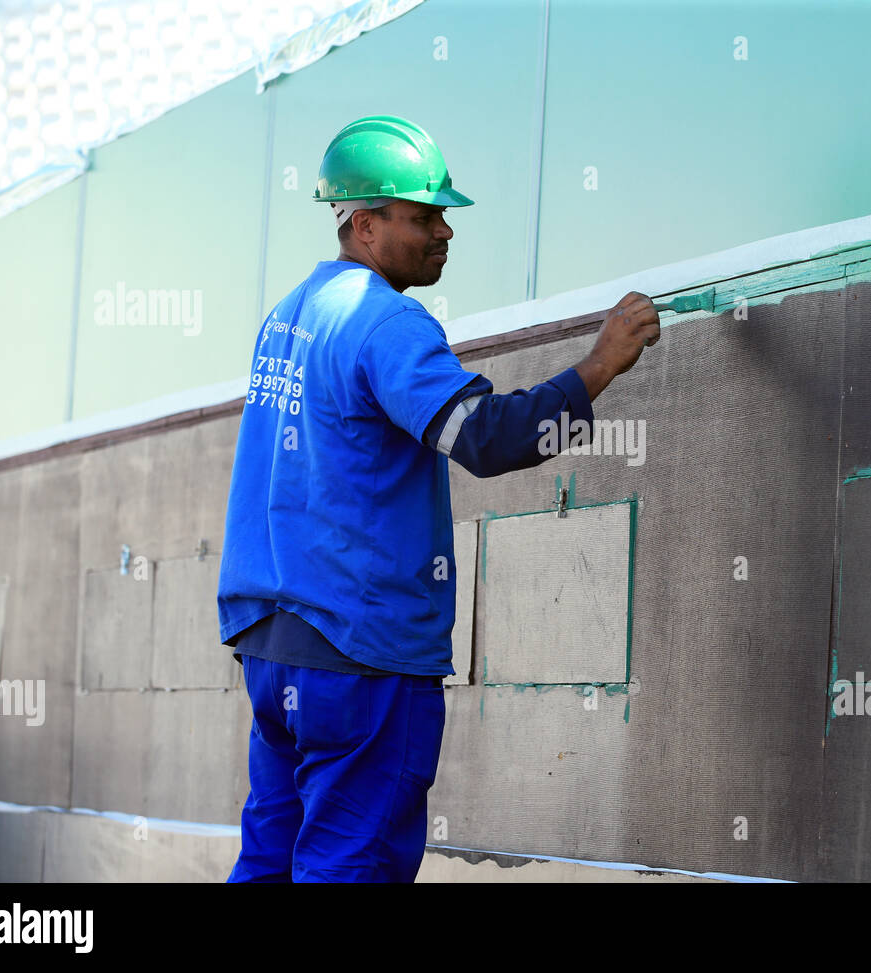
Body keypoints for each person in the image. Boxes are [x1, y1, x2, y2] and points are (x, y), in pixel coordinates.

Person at [217, 115, 659, 882]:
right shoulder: (382, 320)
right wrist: (599, 366)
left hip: (275, 647)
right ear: (363, 225)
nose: (444, 231)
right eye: (422, 217)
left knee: (272, 859)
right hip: (362, 652)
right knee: (352, 863)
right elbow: (486, 440)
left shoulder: (288, 316)